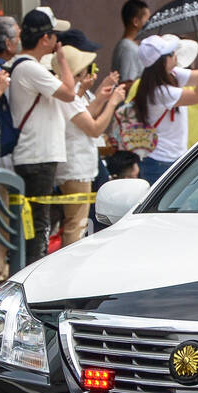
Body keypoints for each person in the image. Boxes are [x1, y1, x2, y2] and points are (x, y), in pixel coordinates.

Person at [7, 8, 80, 263]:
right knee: (39, 221)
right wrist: (63, 61)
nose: (57, 42)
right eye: (54, 36)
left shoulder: (25, 67)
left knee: (39, 219)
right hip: (37, 155)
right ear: (45, 39)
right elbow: (70, 93)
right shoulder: (30, 68)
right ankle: (31, 271)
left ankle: (30, 266)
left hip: (37, 154)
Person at [52, 44, 126, 248]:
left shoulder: (65, 94)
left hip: (74, 167)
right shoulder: (68, 96)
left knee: (75, 222)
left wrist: (102, 97)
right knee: (76, 224)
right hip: (76, 168)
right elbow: (93, 128)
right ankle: (68, 268)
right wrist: (112, 103)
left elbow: (85, 113)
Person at [130, 33, 198, 182]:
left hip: (173, 160)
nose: (175, 55)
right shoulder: (159, 92)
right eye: (171, 53)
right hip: (161, 163)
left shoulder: (171, 75)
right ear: (162, 62)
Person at [113, 0, 150, 83]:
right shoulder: (128, 48)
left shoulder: (132, 46)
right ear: (136, 21)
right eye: (146, 21)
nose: (149, 24)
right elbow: (126, 83)